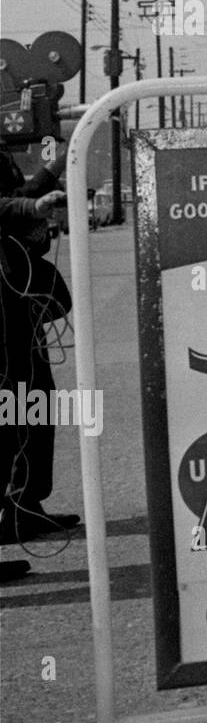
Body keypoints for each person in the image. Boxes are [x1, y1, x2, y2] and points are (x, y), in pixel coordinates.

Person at [0, 148, 81, 553]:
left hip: (16, 290)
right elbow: (12, 201)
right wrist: (33, 204)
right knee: (11, 401)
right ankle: (13, 508)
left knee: (34, 396)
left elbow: (14, 194)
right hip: (5, 297)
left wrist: (47, 179)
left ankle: (25, 503)